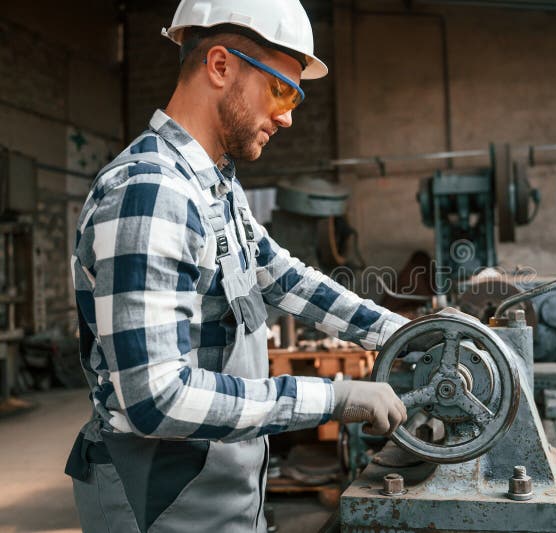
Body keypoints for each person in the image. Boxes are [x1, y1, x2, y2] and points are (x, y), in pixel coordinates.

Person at [65, 1, 408, 530]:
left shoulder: (215, 188)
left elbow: (285, 278)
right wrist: (333, 397)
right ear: (220, 66)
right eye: (281, 90)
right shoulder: (151, 191)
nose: (289, 115)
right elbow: (157, 397)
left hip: (215, 487)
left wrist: (405, 332)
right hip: (159, 498)